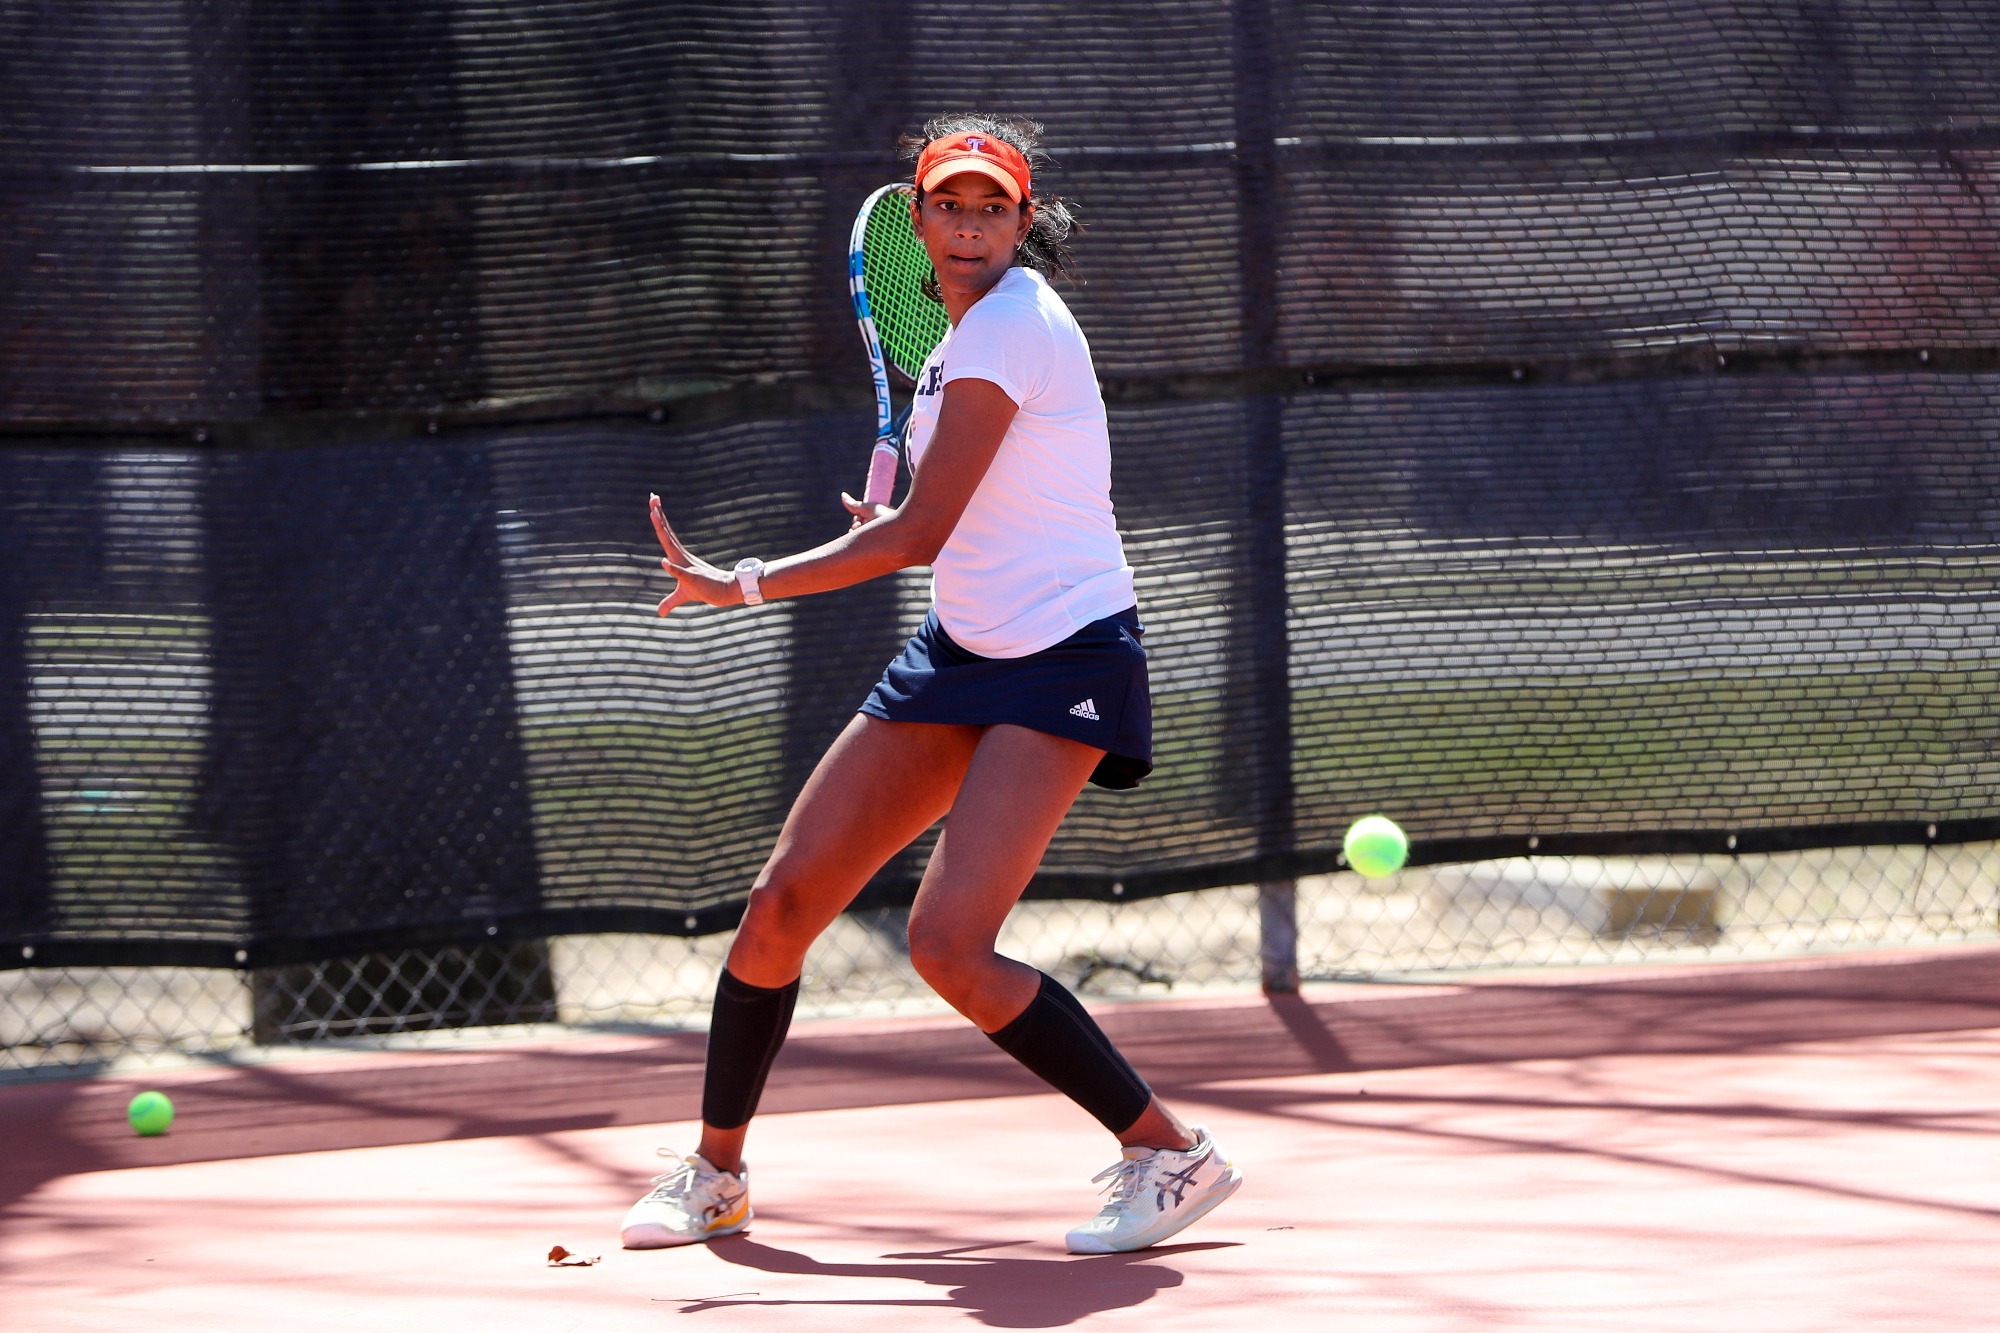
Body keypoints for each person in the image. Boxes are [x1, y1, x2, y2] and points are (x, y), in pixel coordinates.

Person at [624, 114, 1240, 1256]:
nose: (966, 227)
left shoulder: (1011, 322)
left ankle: (1170, 1153)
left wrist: (743, 582)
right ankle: (714, 1173)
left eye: (989, 208)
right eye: (947, 207)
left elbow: (918, 533)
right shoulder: (955, 346)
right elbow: (954, 515)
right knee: (782, 905)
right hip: (963, 648)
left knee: (949, 943)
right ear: (915, 222)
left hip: (1062, 654)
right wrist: (907, 523)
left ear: (1021, 220)